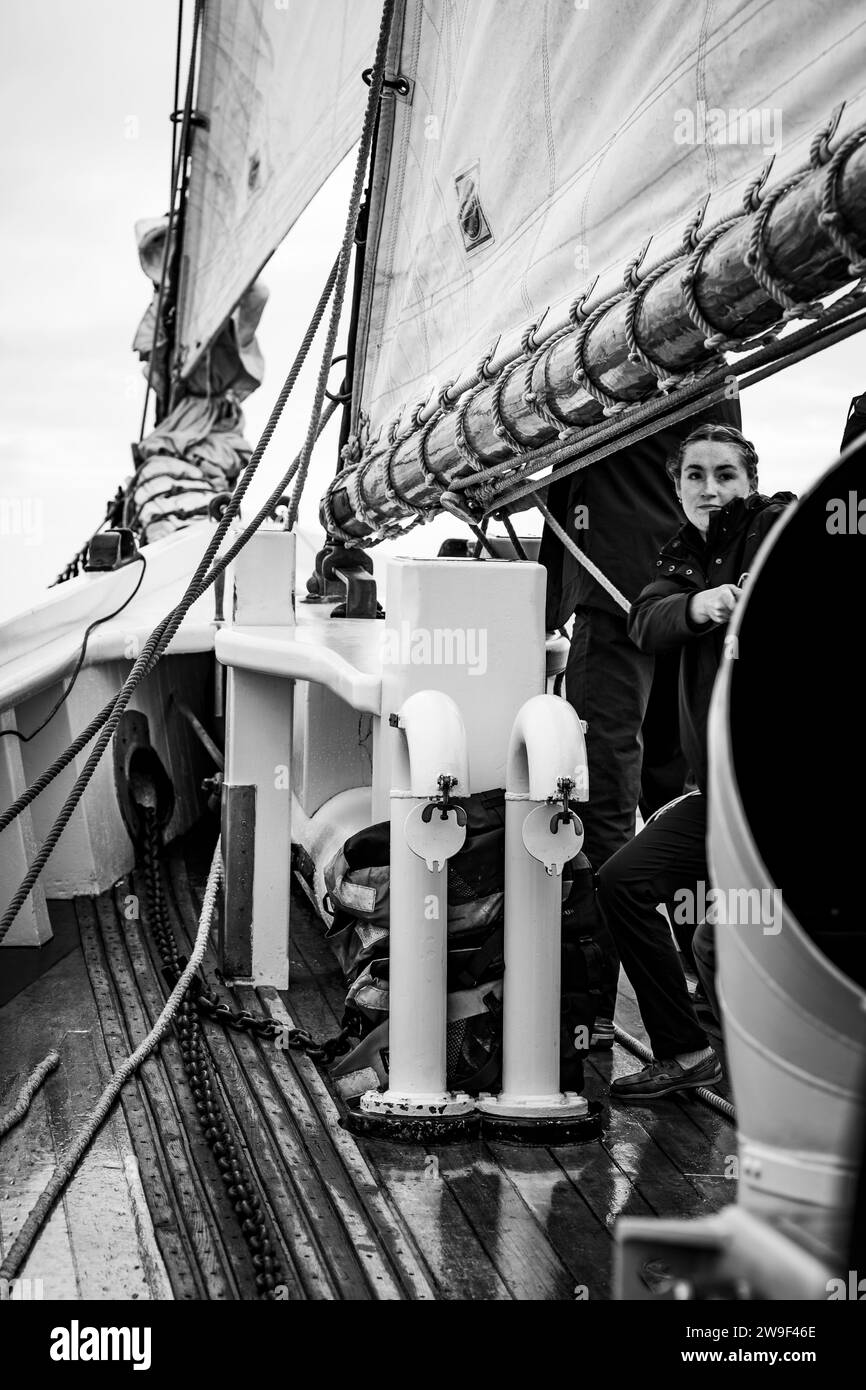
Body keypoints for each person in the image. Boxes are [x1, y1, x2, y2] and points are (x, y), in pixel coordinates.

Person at [595, 422, 795, 1100]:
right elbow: (647, 623)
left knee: (722, 946)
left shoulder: (772, 526)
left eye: (726, 474)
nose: (711, 489)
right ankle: (684, 1053)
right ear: (676, 488)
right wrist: (703, 604)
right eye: (696, 476)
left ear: (751, 483)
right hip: (719, 799)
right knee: (621, 881)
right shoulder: (679, 561)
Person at [540, 399, 742, 1044]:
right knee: (675, 793)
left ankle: (596, 1008)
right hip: (677, 593)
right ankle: (710, 999)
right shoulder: (709, 355)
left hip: (617, 592)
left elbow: (548, 432)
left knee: (604, 805)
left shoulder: (592, 367)